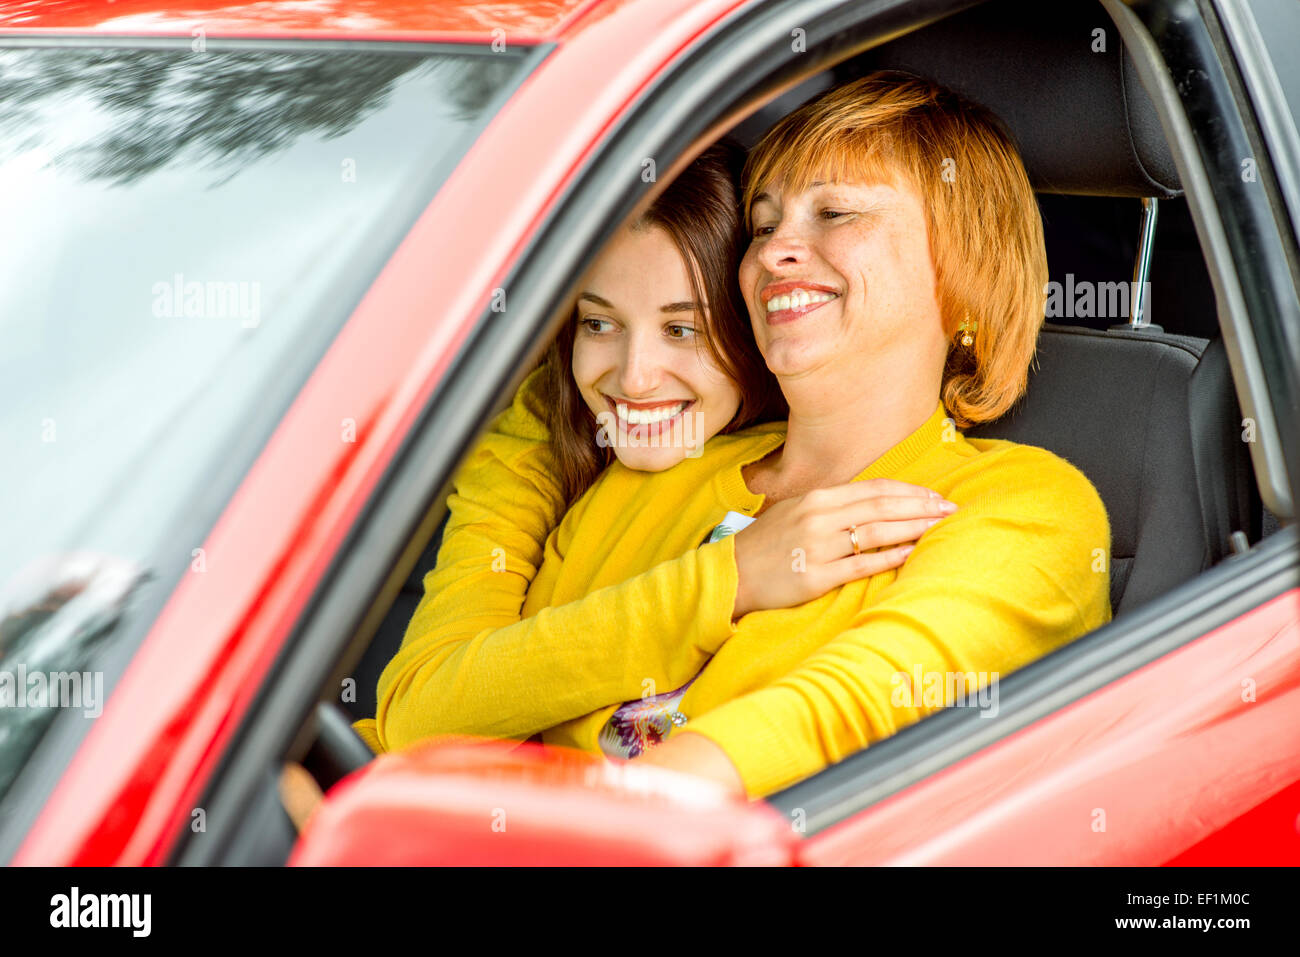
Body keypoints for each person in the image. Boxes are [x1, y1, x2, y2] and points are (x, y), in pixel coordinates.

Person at [373, 71, 1112, 800]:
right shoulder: (655, 472)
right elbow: (433, 720)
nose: (773, 251)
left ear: (964, 272)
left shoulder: (1025, 507)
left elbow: (837, 719)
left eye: (835, 214)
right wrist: (730, 575)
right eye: (764, 224)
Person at [356, 138, 944, 755]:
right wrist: (726, 581)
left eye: (682, 329)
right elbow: (421, 714)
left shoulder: (826, 472)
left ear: (758, 326)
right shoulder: (547, 428)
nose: (634, 377)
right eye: (599, 323)